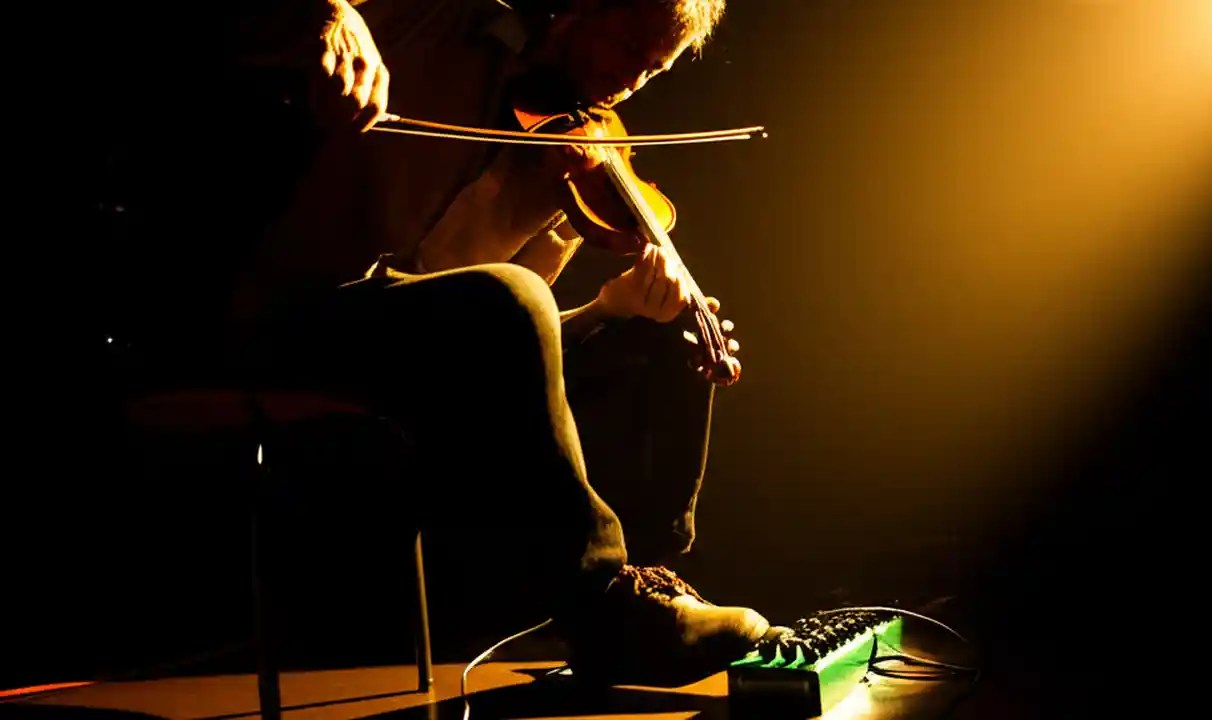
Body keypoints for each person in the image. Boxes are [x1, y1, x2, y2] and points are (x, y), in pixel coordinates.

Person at [83, 0, 772, 686]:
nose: (627, 83)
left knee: (663, 328)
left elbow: (514, 358)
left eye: (653, 71)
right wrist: (323, 13)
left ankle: (649, 578)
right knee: (509, 296)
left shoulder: (565, 172)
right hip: (282, 315)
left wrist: (605, 308)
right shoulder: (437, 17)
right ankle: (601, 610)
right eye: (626, 47)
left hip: (416, 354)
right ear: (579, 6)